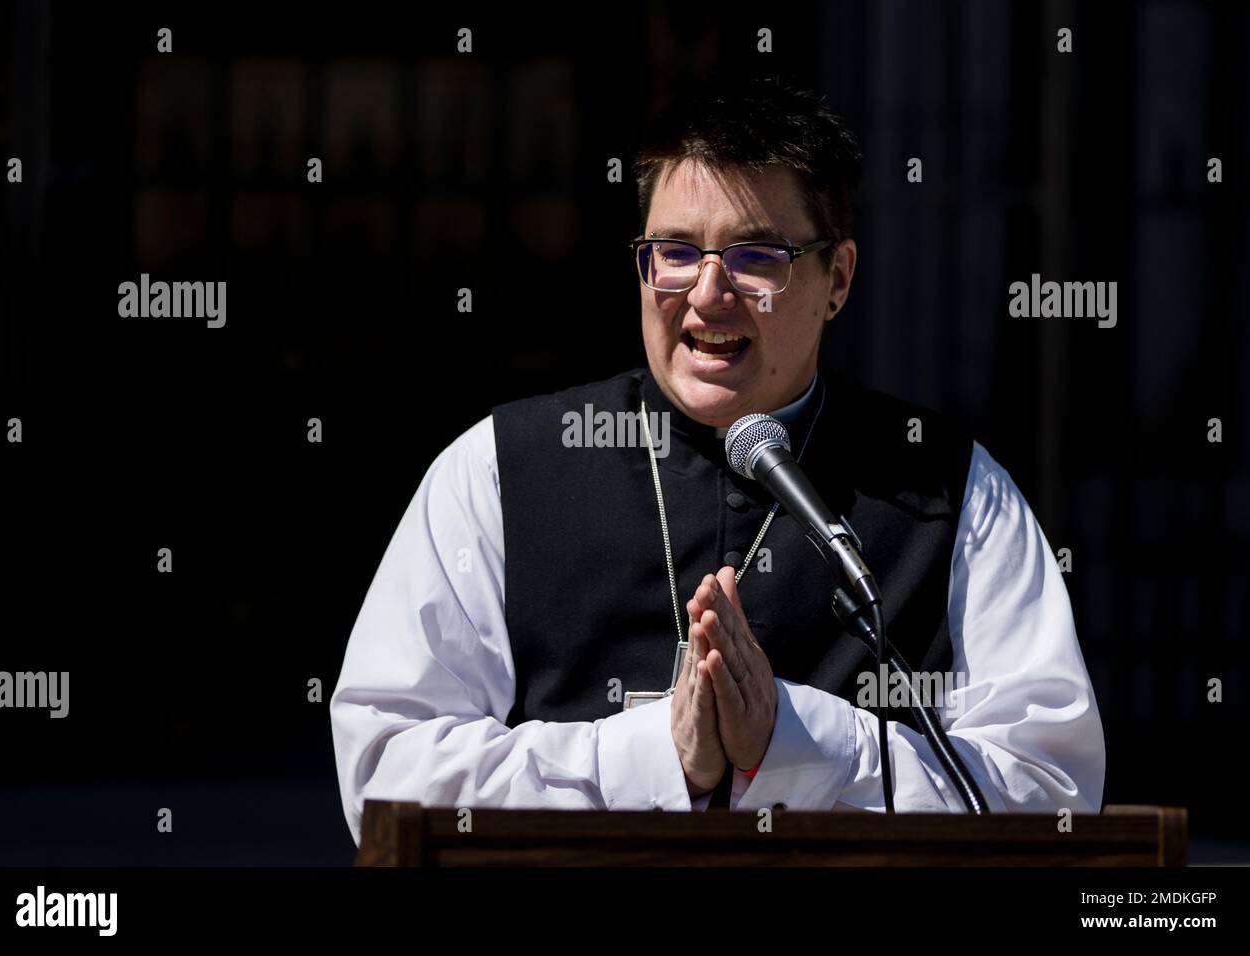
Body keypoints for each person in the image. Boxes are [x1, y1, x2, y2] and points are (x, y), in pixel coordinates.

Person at [329, 76, 1105, 846]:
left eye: (755, 257)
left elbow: (1049, 790)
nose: (706, 296)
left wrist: (802, 743)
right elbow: (386, 774)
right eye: (674, 253)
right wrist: (653, 758)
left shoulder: (952, 491)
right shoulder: (498, 471)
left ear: (835, 278)